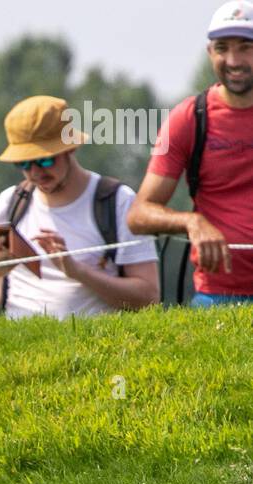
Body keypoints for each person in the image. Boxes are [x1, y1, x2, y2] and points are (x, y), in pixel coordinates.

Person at [0, 96, 159, 319]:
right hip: (20, 344)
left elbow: (149, 298)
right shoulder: (11, 202)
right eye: (23, 164)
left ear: (70, 148)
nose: (35, 173)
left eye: (45, 160)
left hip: (94, 344)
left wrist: (77, 271)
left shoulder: (117, 200)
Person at [128, 2, 253, 307]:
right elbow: (139, 214)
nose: (233, 60)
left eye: (246, 47)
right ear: (210, 53)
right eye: (222, 48)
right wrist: (191, 222)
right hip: (216, 297)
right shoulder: (188, 118)